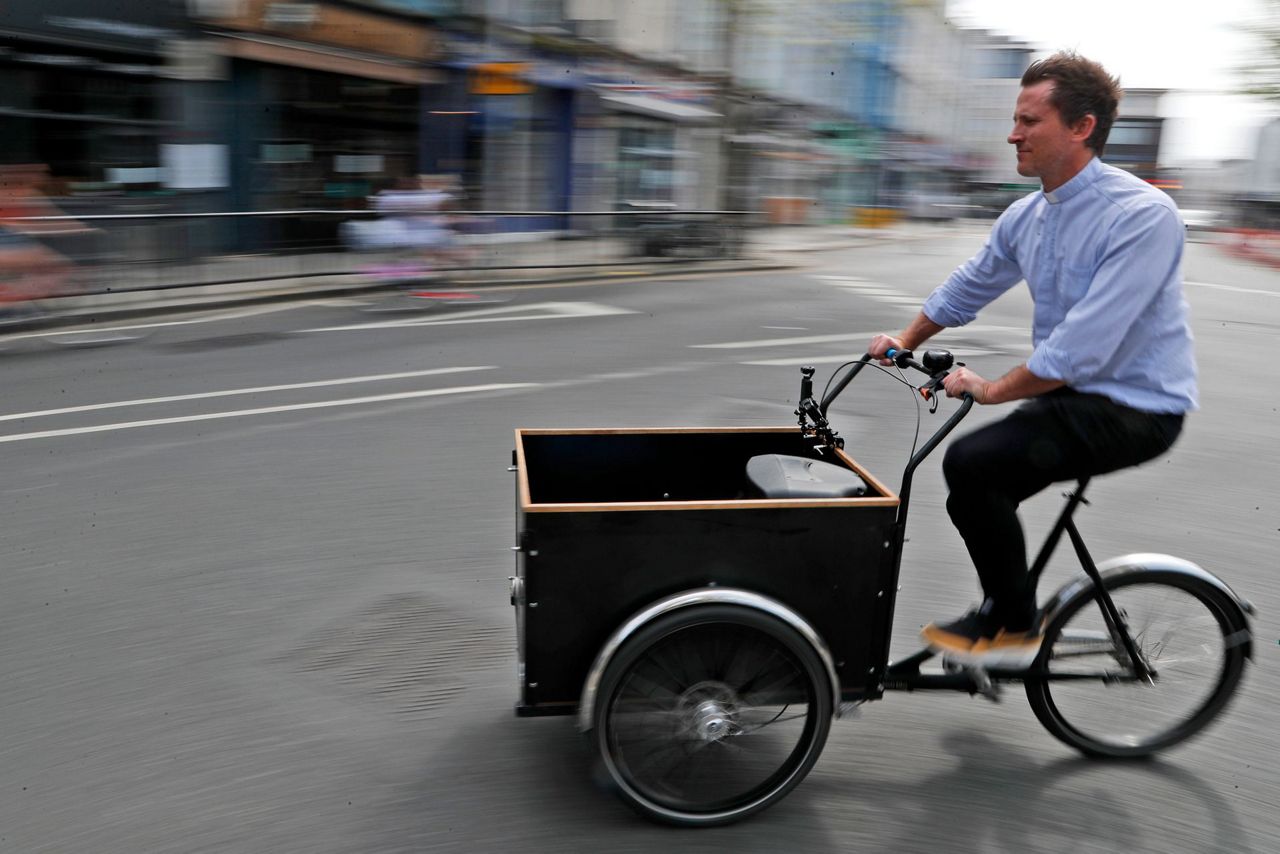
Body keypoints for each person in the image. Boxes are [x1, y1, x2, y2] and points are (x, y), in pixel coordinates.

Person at [868, 52, 1195, 666]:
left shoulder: (1142, 216)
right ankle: (1007, 611)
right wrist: (904, 340)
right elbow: (970, 284)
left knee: (974, 466)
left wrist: (989, 389)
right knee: (977, 477)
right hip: (1074, 395)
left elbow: (1082, 348)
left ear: (1081, 128)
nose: (1013, 133)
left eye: (1029, 121)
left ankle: (1014, 627)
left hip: (1138, 407)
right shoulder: (1027, 215)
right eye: (1014, 119)